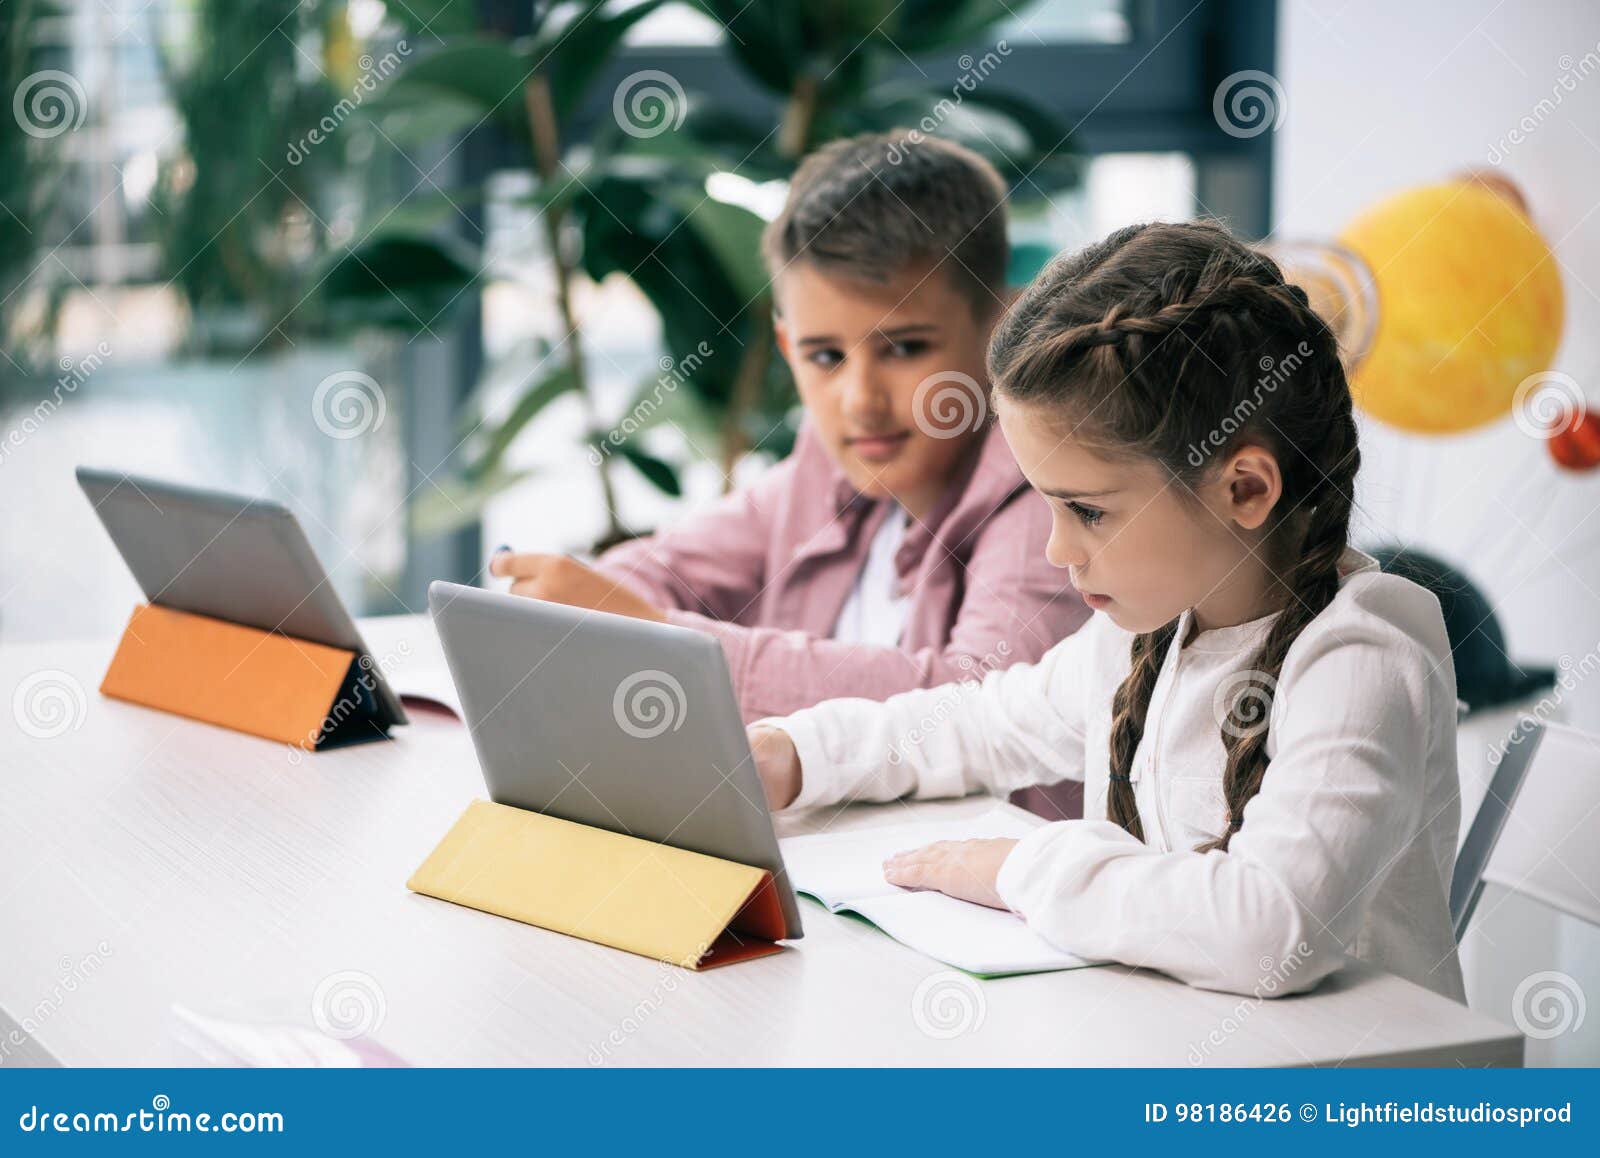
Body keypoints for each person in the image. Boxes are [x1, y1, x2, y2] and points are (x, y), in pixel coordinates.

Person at [748, 219, 1466, 1001]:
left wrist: (1021, 868)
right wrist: (801, 754)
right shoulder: (1146, 630)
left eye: (1087, 510)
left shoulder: (1358, 659)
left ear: (1246, 489)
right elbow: (985, 725)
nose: (1058, 549)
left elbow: (1270, 934)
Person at [492, 132, 1087, 722]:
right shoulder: (829, 468)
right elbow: (662, 570)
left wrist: (661, 641)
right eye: (825, 357)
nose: (860, 401)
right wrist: (584, 604)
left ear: (1002, 326)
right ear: (786, 345)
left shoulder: (1049, 498)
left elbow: (976, 702)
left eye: (904, 348)